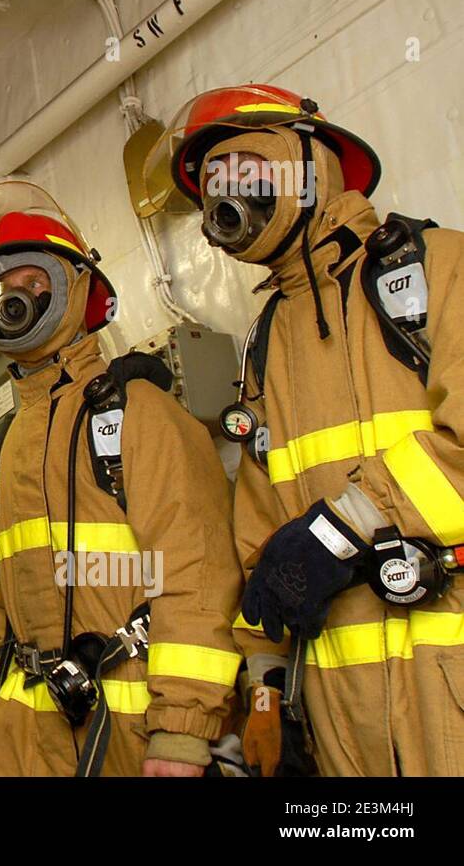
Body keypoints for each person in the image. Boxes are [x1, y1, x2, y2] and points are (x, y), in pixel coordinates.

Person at [157, 82, 464, 776]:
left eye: (245, 173)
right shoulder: (269, 340)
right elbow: (264, 543)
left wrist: (347, 524)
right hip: (338, 720)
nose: (224, 202)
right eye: (212, 188)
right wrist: (266, 685)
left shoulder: (441, 269)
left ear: (308, 166)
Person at [0, 180, 241, 777]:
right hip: (19, 735)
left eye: (36, 282)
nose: (17, 297)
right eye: (3, 289)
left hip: (125, 731)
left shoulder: (139, 412)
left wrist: (183, 733)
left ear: (78, 291)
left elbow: (199, 573)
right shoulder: (10, 444)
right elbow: (6, 600)